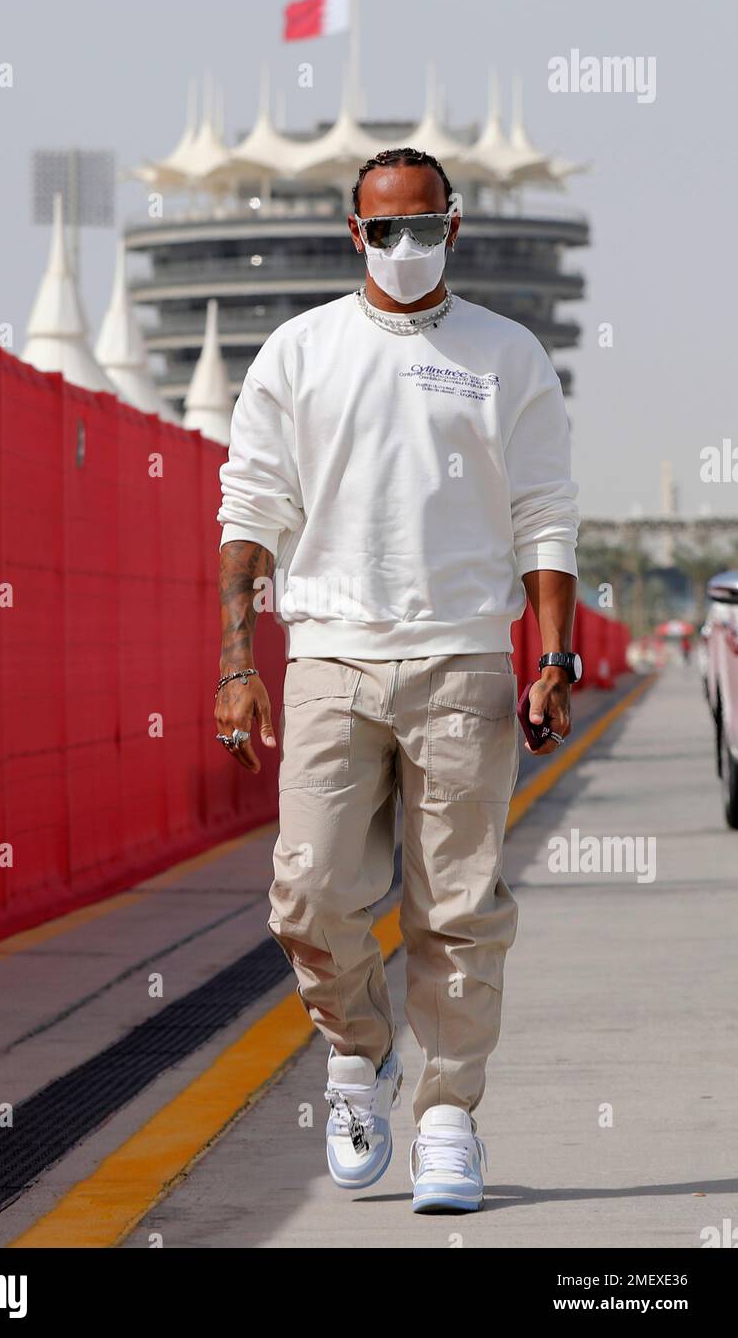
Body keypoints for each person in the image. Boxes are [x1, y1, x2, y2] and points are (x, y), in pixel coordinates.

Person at [214, 147, 582, 1214]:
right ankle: (357, 1054)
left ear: (454, 227)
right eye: (385, 232)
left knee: (458, 905)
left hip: (466, 651)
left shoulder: (507, 355)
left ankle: (448, 1116)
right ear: (354, 234)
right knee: (311, 888)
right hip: (329, 649)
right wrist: (239, 663)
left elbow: (545, 513)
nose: (406, 247)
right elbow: (251, 517)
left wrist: (553, 655)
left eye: (425, 226)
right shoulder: (300, 352)